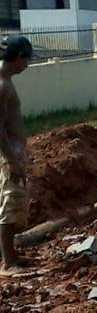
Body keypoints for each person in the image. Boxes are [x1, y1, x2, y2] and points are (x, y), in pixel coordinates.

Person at [0, 36, 33, 277]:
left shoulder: (6, 81)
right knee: (10, 206)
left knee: (11, 205)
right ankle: (8, 263)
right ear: (19, 57)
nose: (28, 65)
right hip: (9, 156)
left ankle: (10, 255)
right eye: (27, 60)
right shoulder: (3, 85)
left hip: (12, 153)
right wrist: (12, 161)